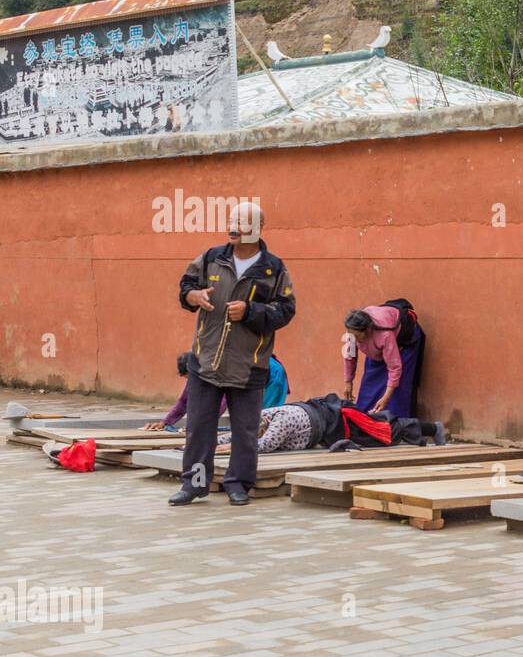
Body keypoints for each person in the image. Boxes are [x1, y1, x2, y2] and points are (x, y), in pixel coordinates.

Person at [170, 201, 295, 506]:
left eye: (241, 222)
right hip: (206, 361)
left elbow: (286, 310)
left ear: (258, 228)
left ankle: (238, 484)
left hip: (249, 365)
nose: (233, 227)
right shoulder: (212, 258)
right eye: (232, 220)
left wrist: (251, 311)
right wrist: (193, 296)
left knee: (245, 431)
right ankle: (195, 484)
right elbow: (185, 287)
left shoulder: (273, 268)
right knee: (199, 428)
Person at [215, 395, 445, 454]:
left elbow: (264, 445)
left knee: (386, 431)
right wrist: (211, 443)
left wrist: (231, 447)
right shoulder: (261, 419)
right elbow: (240, 434)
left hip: (337, 422)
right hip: (326, 427)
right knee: (382, 427)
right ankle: (428, 430)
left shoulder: (278, 422)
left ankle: (434, 428)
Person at [145, 352, 288, 431]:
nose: (191, 381)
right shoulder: (197, 372)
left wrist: (203, 425)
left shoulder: (216, 368)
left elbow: (225, 399)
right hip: (251, 373)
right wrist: (166, 422)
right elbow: (184, 401)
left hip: (273, 374)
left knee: (265, 415)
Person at [343, 302, 425, 418]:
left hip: (405, 343)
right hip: (376, 349)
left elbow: (395, 367)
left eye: (357, 336)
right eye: (351, 336)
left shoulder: (384, 335)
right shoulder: (352, 330)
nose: (353, 339)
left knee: (396, 392)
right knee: (369, 389)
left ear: (366, 331)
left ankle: (398, 428)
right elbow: (349, 355)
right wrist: (348, 382)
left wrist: (386, 397)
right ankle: (364, 422)